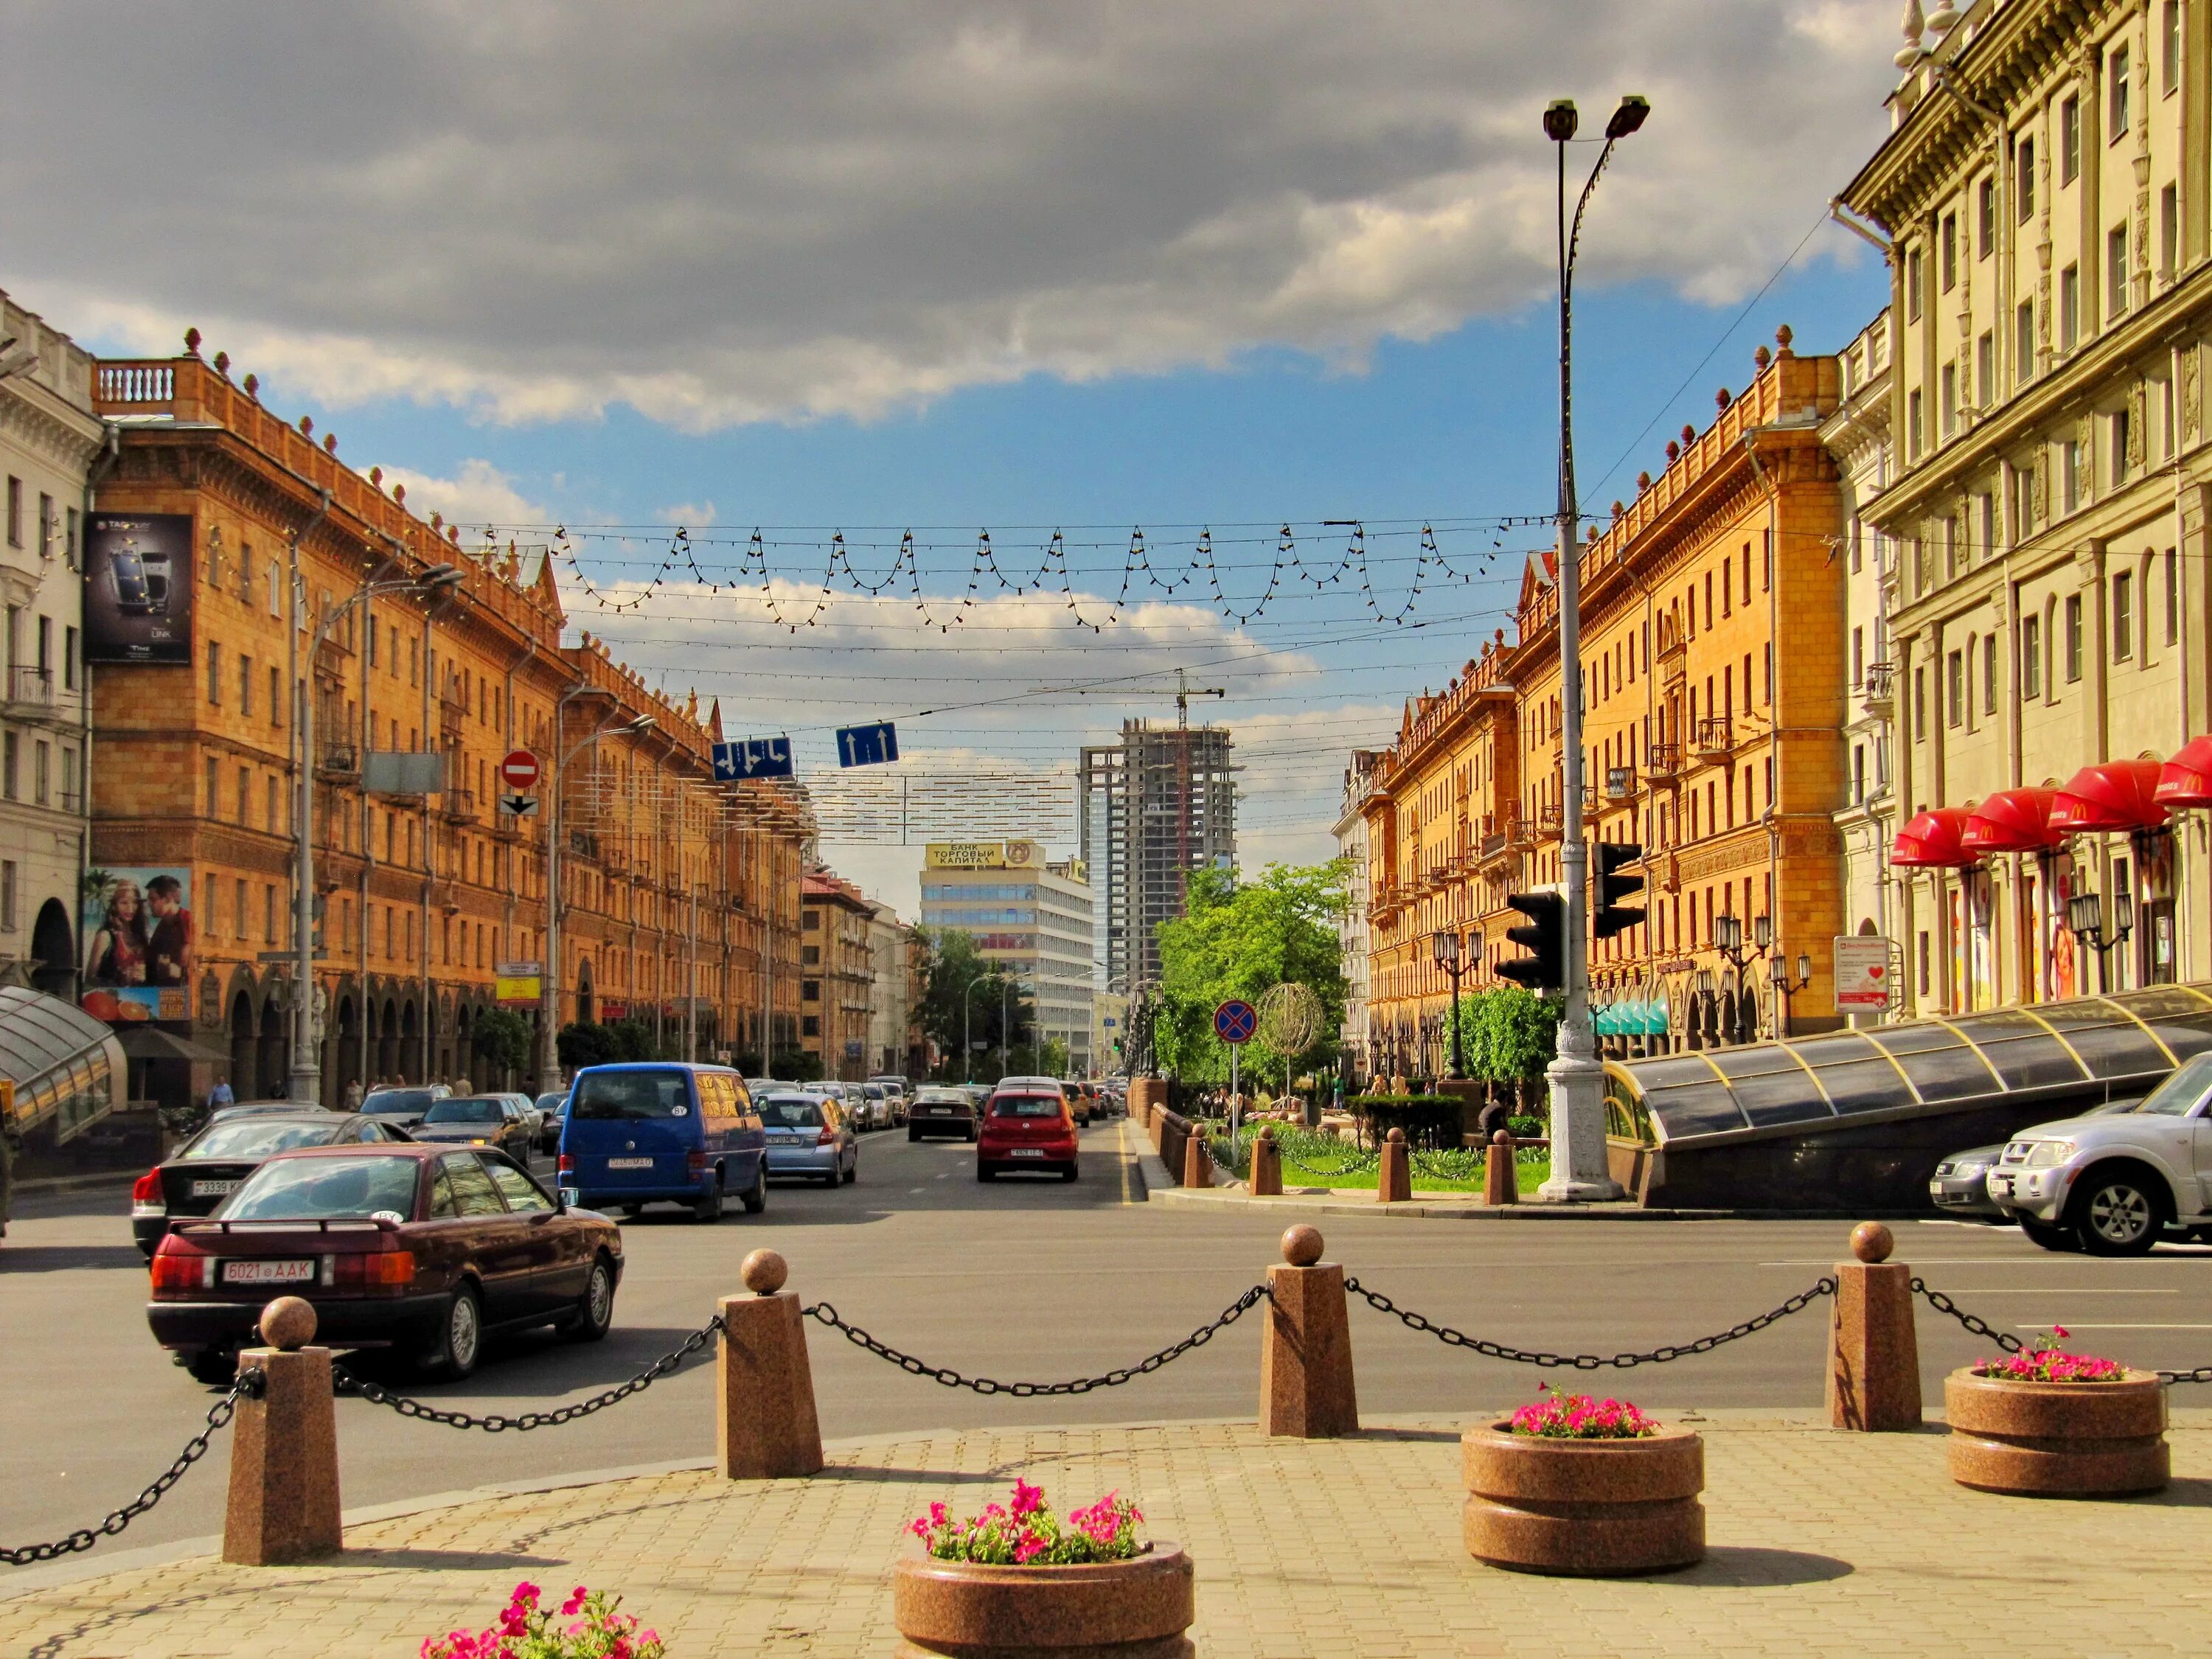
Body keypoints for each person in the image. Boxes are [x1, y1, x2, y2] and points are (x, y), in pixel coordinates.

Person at [84, 877, 150, 987]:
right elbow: (89, 981)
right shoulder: (105, 936)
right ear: (114, 906)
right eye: (124, 903)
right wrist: (120, 978)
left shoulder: (140, 935)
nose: (130, 908)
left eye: (134, 902)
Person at [143, 874, 191, 988]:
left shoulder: (187, 921)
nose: (149, 904)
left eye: (153, 899)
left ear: (169, 899)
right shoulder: (163, 925)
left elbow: (197, 967)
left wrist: (179, 972)